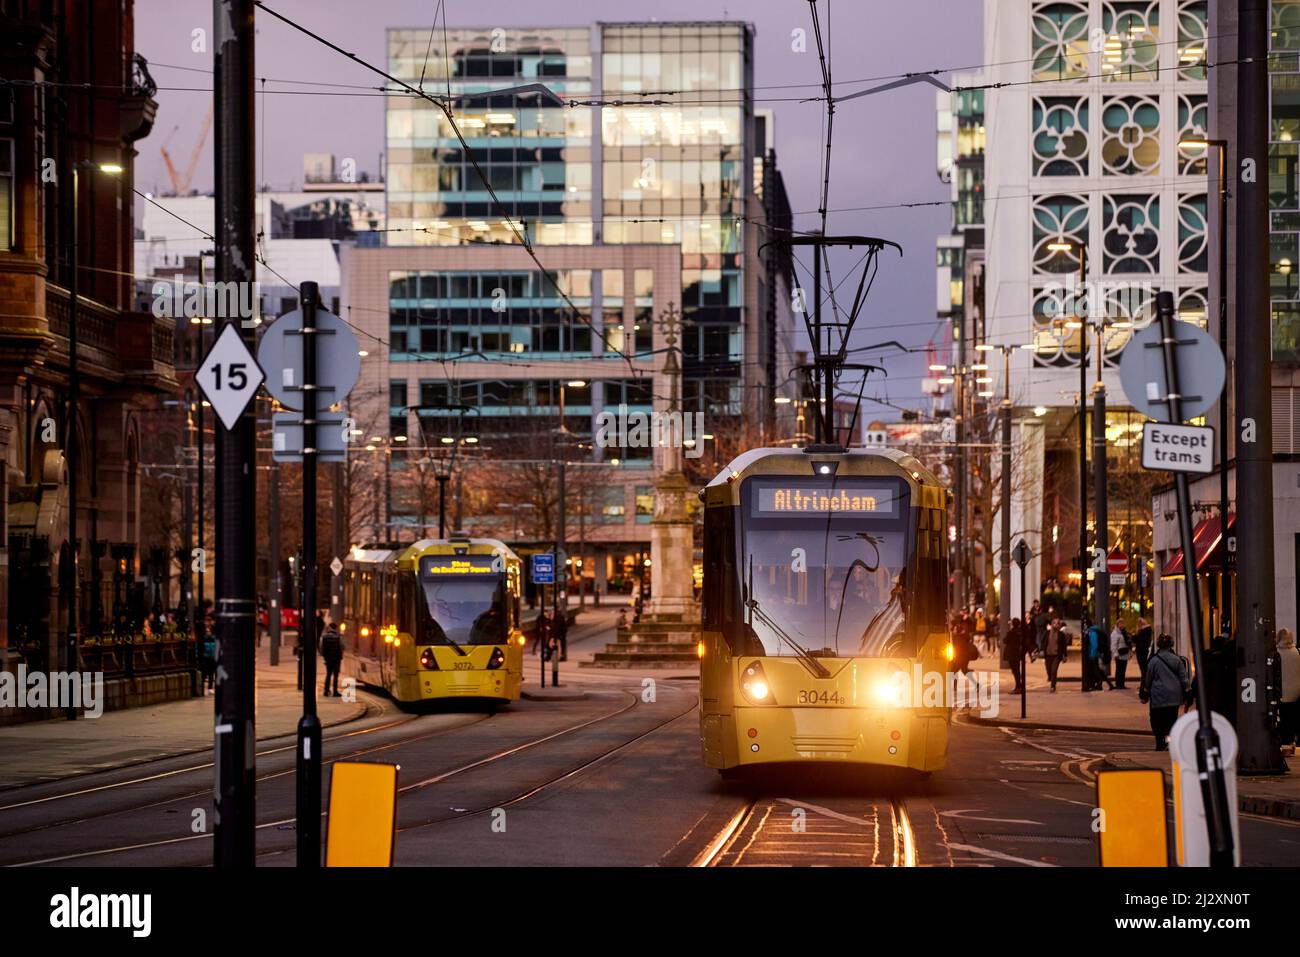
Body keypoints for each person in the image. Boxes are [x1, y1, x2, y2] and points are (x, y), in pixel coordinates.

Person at [1141, 633, 1191, 750]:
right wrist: (1188, 693)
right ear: (1171, 645)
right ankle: (1169, 742)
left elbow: (1148, 678)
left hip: (1158, 697)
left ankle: (1160, 742)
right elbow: (1184, 679)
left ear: (1158, 645)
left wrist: (1145, 692)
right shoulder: (1177, 660)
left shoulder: (1153, 661)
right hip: (1174, 697)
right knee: (1171, 722)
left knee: (1157, 722)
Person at [1278, 628, 1300, 755]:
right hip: (1295, 691)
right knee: (1291, 716)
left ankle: (1283, 741)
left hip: (1281, 691)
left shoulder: (1277, 652)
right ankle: (1290, 740)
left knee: (1282, 717)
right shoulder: (1296, 652)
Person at [1084, 621, 1114, 691]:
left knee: (1095, 670)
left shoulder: (1092, 632)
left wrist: (1092, 655)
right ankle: (1109, 684)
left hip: (1093, 655)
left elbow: (1094, 645)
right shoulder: (1096, 630)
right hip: (1096, 654)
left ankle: (1099, 683)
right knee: (1099, 671)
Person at [319, 619, 344, 697]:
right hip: (336, 659)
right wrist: (340, 655)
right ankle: (335, 692)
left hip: (328, 658)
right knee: (336, 676)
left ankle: (326, 691)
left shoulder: (324, 637)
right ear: (336, 628)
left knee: (328, 674)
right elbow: (342, 647)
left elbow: (321, 648)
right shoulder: (338, 636)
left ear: (329, 628)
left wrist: (324, 656)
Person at [1043, 615, 1066, 692]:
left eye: (1057, 623)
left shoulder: (1061, 634)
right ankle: (1050, 678)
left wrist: (1065, 655)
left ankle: (1053, 686)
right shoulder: (1047, 633)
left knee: (1054, 670)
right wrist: (1042, 651)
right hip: (1048, 655)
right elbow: (1043, 642)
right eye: (1054, 623)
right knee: (1049, 670)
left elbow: (1063, 646)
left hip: (1056, 655)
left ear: (1059, 625)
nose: (1056, 625)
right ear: (1052, 624)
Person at [1003, 618, 1025, 694]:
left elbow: (1005, 640)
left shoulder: (1011, 632)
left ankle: (1018, 687)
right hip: (1018, 653)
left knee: (1015, 671)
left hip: (1011, 653)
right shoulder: (1020, 632)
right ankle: (1019, 685)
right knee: (1017, 670)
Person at [1111, 621, 1131, 689]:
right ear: (1117, 624)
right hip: (1119, 654)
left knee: (1123, 669)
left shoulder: (1124, 632)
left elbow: (1127, 643)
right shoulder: (1115, 633)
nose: (1122, 625)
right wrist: (1115, 653)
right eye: (1121, 623)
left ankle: (1122, 684)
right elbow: (1113, 645)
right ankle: (1118, 684)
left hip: (1124, 653)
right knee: (1119, 669)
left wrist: (1129, 653)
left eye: (1123, 623)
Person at [1133, 617, 1154, 684]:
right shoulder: (1142, 630)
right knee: (1143, 668)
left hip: (1143, 651)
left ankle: (1144, 683)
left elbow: (1141, 640)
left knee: (1144, 668)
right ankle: (1144, 682)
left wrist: (1135, 636)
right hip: (1141, 651)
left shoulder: (1145, 630)